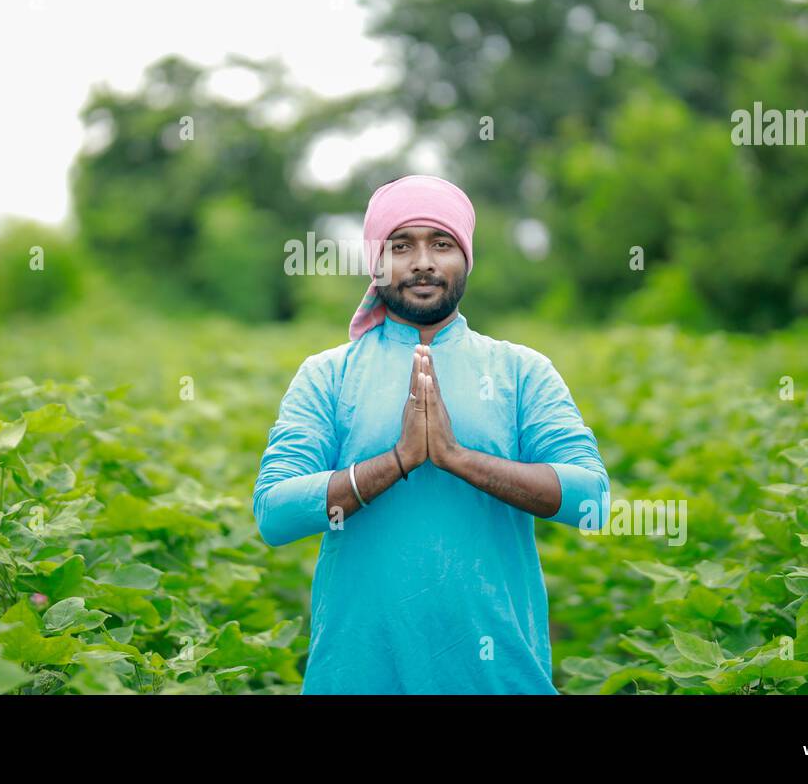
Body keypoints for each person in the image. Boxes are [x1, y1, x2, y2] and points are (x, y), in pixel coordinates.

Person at [253, 174, 610, 694]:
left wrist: (456, 458)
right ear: (377, 263)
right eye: (402, 246)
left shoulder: (519, 371)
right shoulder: (328, 375)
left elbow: (591, 499)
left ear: (465, 258)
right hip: (357, 675)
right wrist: (395, 462)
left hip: (497, 675)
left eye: (441, 244)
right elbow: (275, 513)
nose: (423, 261)